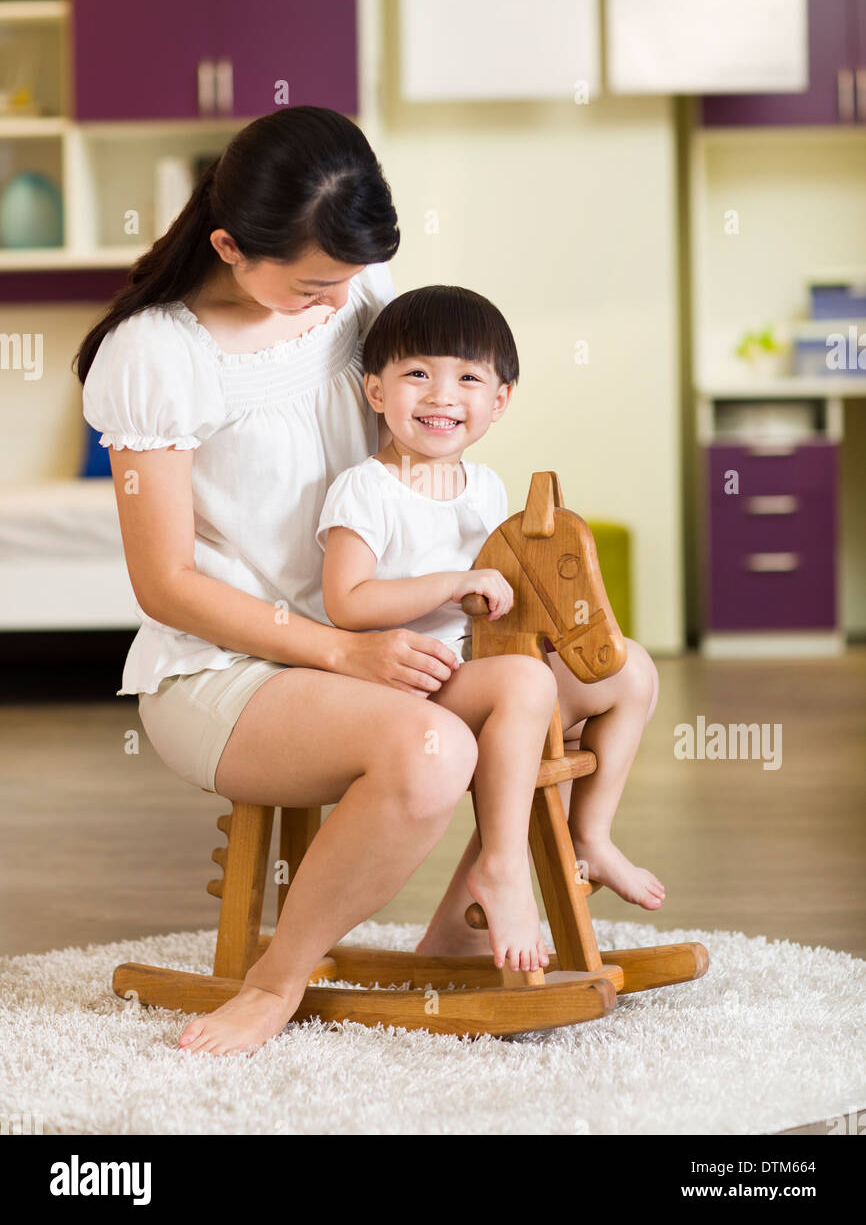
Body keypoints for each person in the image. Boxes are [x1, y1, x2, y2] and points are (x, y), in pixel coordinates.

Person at [77, 105, 662, 1059]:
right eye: (313, 284)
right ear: (228, 244)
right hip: (232, 670)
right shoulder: (155, 356)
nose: (336, 302)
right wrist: (344, 648)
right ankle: (276, 980)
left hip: (388, 639)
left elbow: (422, 423)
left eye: (348, 280)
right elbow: (166, 582)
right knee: (434, 752)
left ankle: (475, 902)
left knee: (611, 672)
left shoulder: (354, 291)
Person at [317, 284, 559, 974]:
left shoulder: (486, 489)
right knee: (522, 682)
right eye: (417, 372)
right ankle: (504, 868)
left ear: (500, 400)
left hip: (460, 672)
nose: (441, 394)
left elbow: (498, 594)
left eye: (468, 376)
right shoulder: (366, 489)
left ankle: (590, 838)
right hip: (399, 690)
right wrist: (454, 585)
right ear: (375, 391)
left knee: (626, 669)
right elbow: (347, 602)